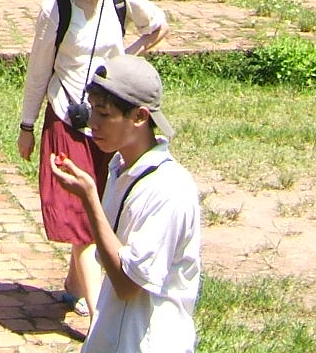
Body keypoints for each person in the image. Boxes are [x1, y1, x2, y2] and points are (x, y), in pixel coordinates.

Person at [19, 0, 169, 318]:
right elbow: (38, 69)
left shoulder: (120, 0)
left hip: (106, 120)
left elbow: (158, 24)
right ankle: (99, 317)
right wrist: (26, 125)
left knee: (100, 207)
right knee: (83, 223)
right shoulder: (56, 6)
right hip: (66, 116)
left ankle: (73, 286)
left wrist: (124, 59)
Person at [47, 54, 202, 353]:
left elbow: (128, 285)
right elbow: (112, 258)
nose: (93, 123)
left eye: (104, 114)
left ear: (140, 117)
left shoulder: (167, 188)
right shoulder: (119, 168)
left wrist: (90, 199)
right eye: (92, 110)